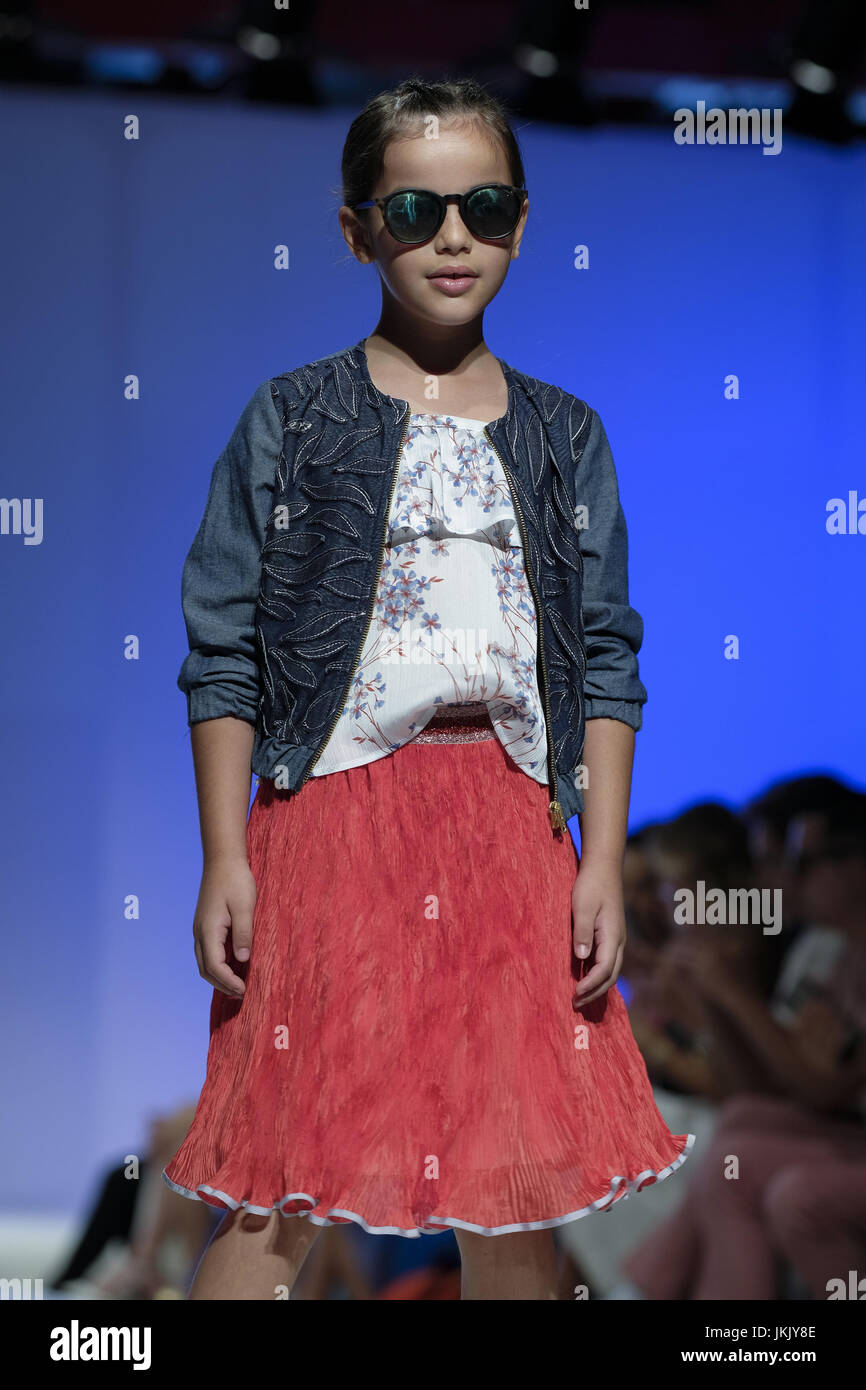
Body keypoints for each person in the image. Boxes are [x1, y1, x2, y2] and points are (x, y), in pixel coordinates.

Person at [162, 75, 694, 1302]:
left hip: (511, 829)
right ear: (356, 228)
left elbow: (607, 655)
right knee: (282, 1183)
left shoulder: (566, 434)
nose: (452, 237)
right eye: (414, 208)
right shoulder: (291, 419)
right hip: (332, 824)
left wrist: (599, 859)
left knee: (516, 1196)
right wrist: (222, 857)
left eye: (484, 205)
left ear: (519, 218)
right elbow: (222, 644)